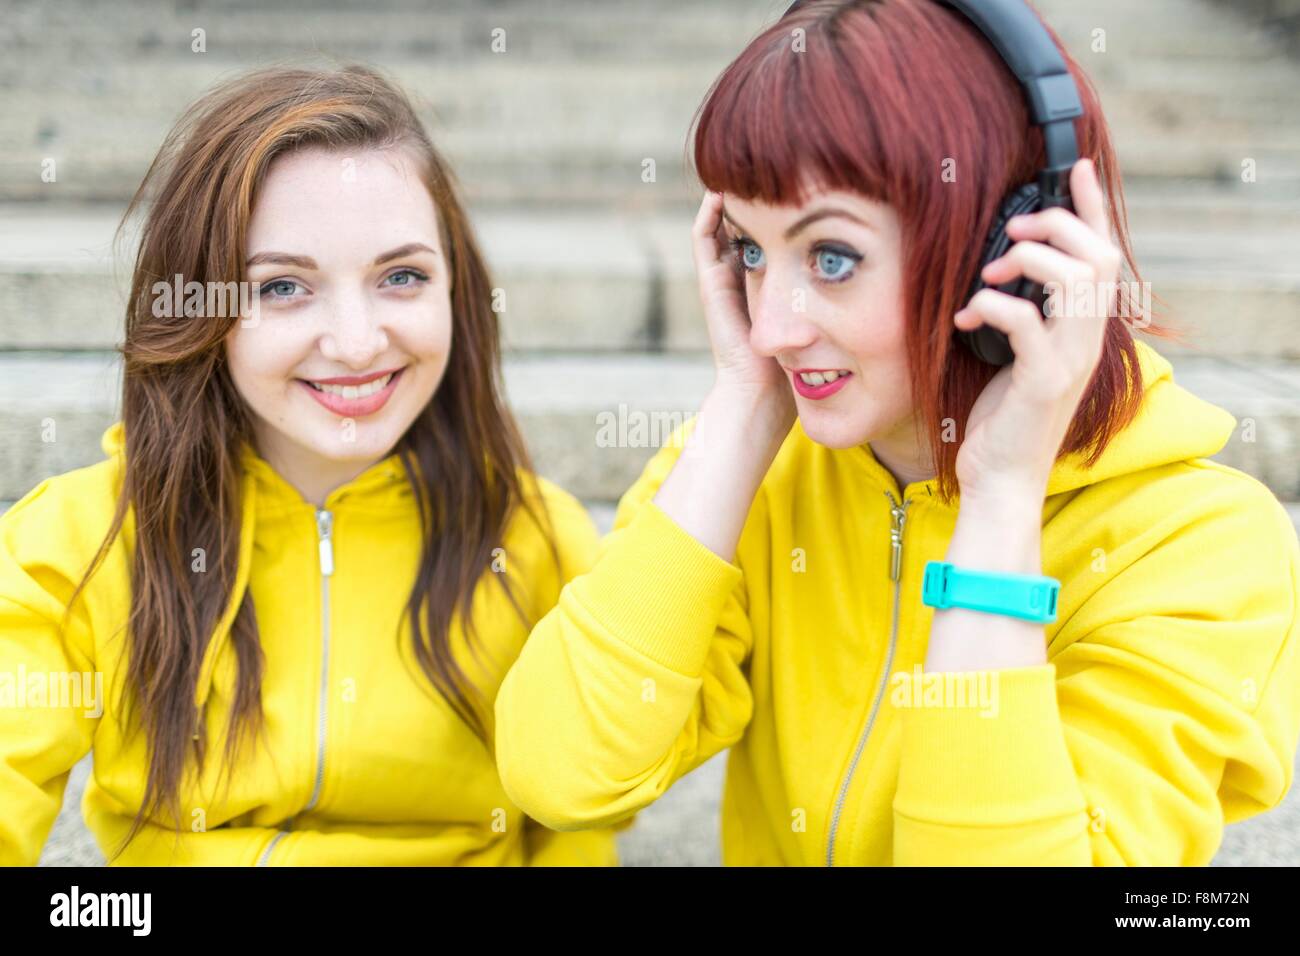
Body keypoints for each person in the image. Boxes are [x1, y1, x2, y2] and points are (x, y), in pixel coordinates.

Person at [494, 0, 1300, 865]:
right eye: (752, 252)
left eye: (830, 258)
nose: (772, 326)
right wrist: (739, 409)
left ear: (1014, 249)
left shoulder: (1200, 548)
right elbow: (560, 771)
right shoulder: (764, 476)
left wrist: (1000, 507)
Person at [0, 65, 621, 866]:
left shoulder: (539, 542)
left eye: (401, 277)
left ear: (455, 292)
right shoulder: (77, 544)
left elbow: (579, 832)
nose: (358, 342)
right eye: (285, 286)